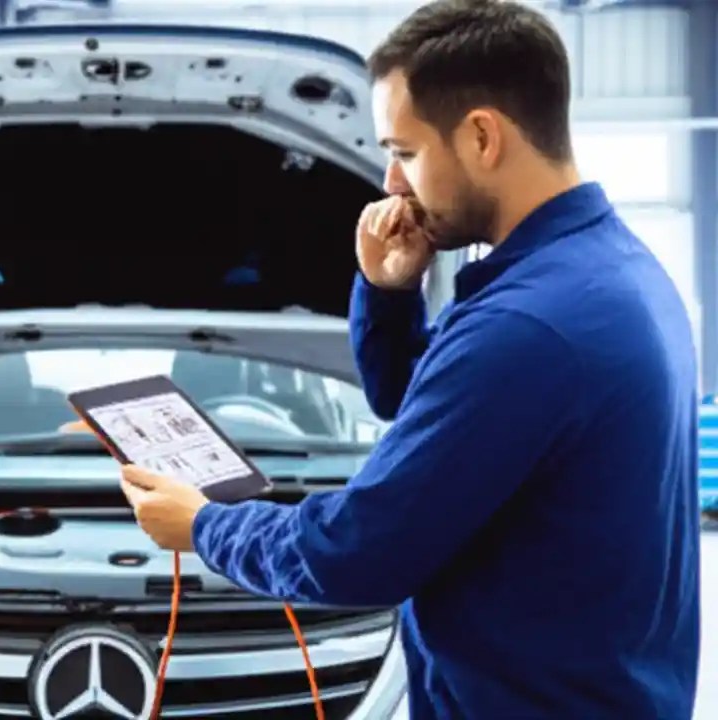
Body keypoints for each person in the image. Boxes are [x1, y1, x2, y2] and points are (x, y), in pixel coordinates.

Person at [117, 0, 702, 718]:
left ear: (483, 136)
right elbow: (424, 404)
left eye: (404, 150)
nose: (392, 182)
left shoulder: (528, 325)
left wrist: (204, 525)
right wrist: (390, 294)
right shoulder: (604, 275)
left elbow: (357, 552)